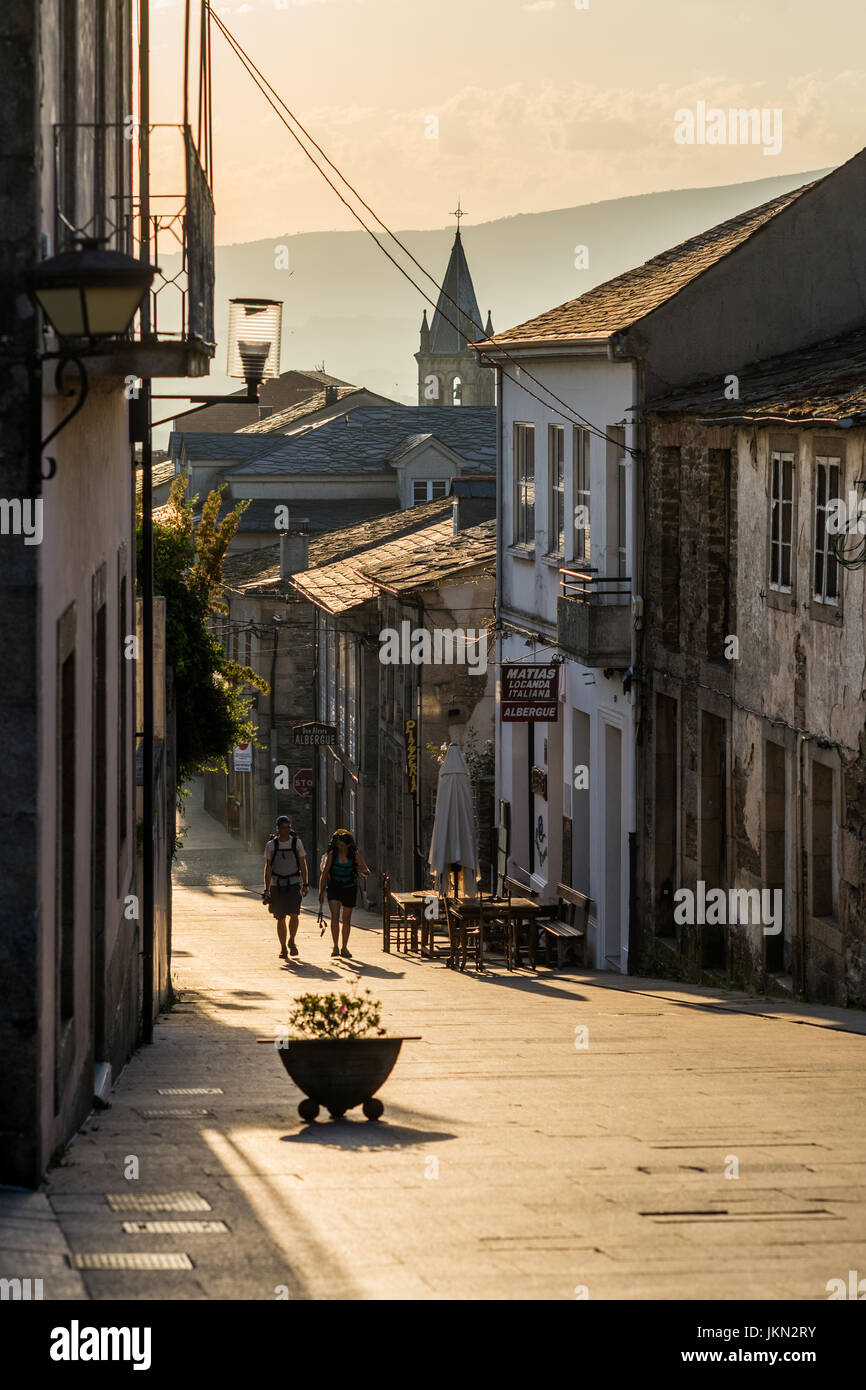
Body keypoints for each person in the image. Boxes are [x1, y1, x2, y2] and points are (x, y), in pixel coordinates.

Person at [319, 828, 370, 959]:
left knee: (346, 919)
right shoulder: (332, 854)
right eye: (338, 844)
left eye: (342, 845)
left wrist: (360, 869)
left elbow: (366, 871)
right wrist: (320, 891)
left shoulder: (354, 854)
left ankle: (344, 947)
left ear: (348, 845)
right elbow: (325, 873)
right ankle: (335, 946)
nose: (339, 847)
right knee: (335, 916)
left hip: (349, 888)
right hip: (334, 887)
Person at [263, 816, 308, 959]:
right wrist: (267, 889)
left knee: (295, 914)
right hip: (277, 885)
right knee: (280, 917)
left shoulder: (297, 843)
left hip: (293, 883)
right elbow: (268, 868)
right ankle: (283, 947)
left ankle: (292, 940)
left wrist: (305, 883)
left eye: (288, 827)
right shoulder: (271, 846)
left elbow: (303, 864)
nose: (286, 830)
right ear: (278, 829)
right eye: (283, 828)